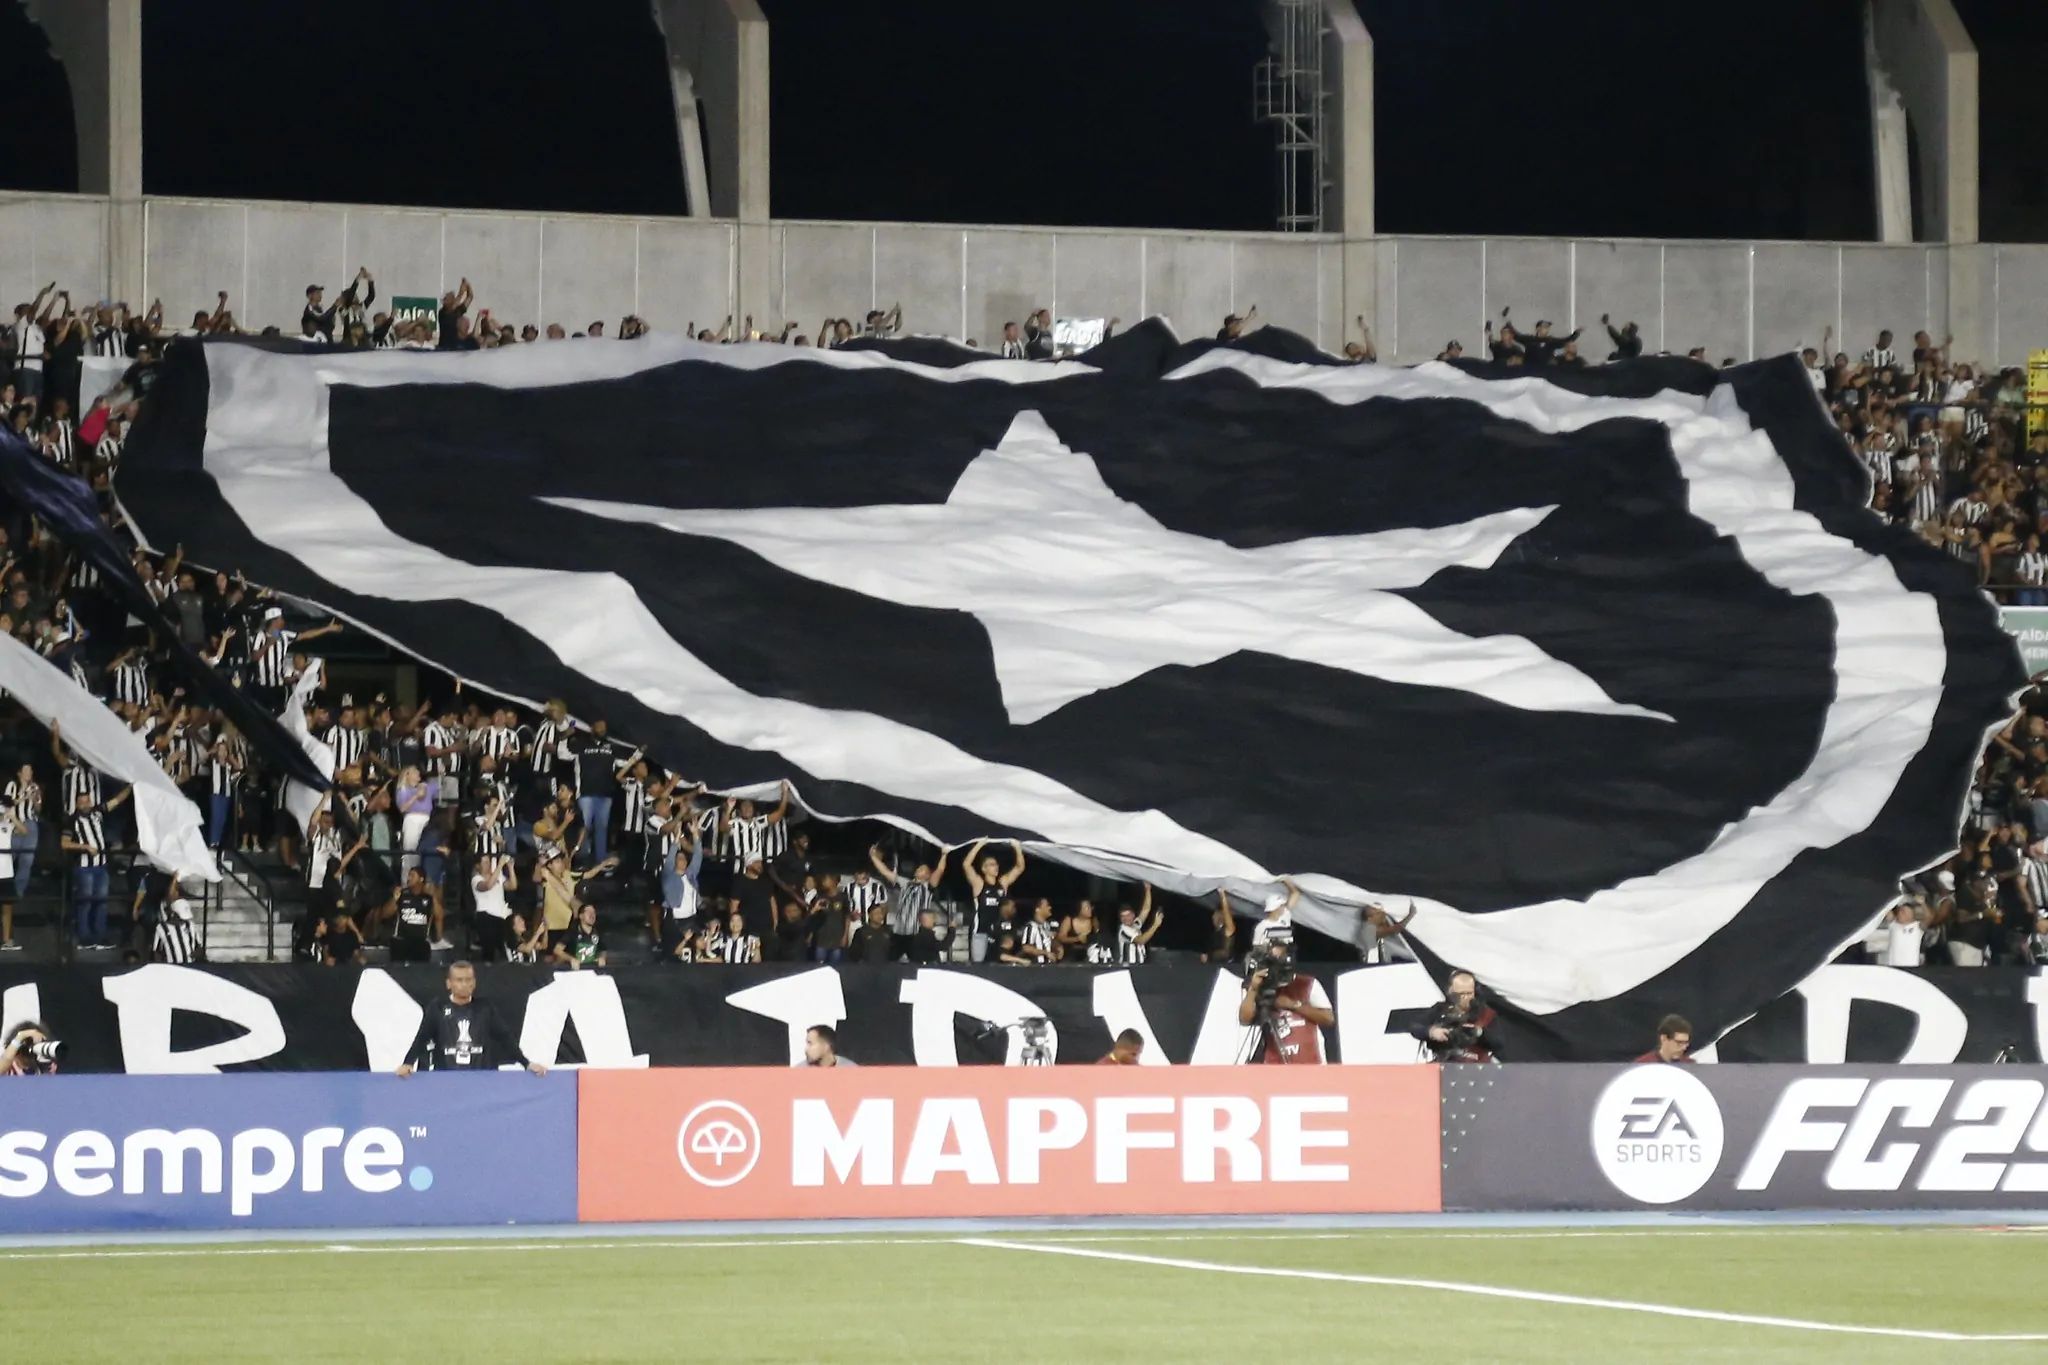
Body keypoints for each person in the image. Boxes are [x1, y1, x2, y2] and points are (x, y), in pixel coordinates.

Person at [397, 961, 546, 1074]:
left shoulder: (485, 1007)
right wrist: (408, 1063)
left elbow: (505, 1038)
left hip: (480, 1079)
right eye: (459, 980)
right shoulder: (438, 1007)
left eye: (468, 980)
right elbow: (422, 1038)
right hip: (446, 1078)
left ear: (474, 983)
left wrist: (526, 1063)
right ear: (449, 983)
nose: (464, 984)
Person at [1237, 932, 1332, 1063]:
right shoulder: (1260, 986)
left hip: (1311, 1063)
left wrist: (1293, 1005)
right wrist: (1253, 989)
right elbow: (1244, 1019)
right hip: (1275, 1068)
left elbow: (1328, 1018)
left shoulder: (1307, 984)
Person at [1412, 970, 1502, 1062]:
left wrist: (1479, 1033)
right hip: (1443, 1065)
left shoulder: (1486, 1014)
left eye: (1469, 993)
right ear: (1451, 992)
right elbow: (1415, 1027)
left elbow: (1499, 1043)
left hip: (1476, 1069)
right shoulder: (1440, 1009)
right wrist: (1432, 1032)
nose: (1466, 997)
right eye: (1461, 994)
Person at [962, 837, 1026, 962]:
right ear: (983, 869)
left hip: (998, 932)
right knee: (979, 964)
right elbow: (966, 865)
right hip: (981, 932)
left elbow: (1020, 868)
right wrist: (979, 845)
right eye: (991, 864)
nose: (995, 867)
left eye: (996, 864)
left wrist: (1017, 847)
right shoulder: (979, 884)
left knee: (998, 961)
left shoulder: (1002, 884)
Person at [381, 866, 444, 964]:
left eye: (412, 875)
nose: (408, 878)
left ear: (421, 879)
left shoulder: (428, 897)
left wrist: (433, 897)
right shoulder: (402, 894)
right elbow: (385, 914)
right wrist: (394, 898)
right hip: (401, 940)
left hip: (420, 942)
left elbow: (439, 916)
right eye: (408, 875)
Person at [471, 855, 517, 962]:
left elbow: (512, 886)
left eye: (489, 862)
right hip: (486, 916)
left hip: (501, 916)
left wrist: (510, 868)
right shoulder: (476, 879)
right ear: (478, 866)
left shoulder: (498, 876)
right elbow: (487, 886)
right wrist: (500, 865)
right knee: (489, 951)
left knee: (505, 949)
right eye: (485, 862)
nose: (488, 864)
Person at [552, 901, 606, 969]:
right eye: (589, 912)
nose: (592, 915)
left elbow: (603, 950)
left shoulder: (598, 932)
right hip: (573, 971)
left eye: (594, 912)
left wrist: (601, 958)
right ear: (581, 916)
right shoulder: (572, 932)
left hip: (591, 970)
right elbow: (557, 950)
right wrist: (571, 959)